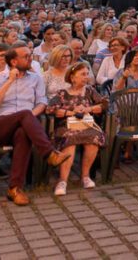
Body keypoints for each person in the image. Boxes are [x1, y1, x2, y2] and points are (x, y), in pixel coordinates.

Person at [0, 45, 73, 205]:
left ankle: (14, 189)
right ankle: (49, 153)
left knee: (23, 132)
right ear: (14, 61)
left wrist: (28, 118)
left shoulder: (35, 79)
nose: (31, 58)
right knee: (25, 114)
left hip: (24, 128)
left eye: (30, 55)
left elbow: (42, 103)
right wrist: (10, 81)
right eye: (26, 56)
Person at [46, 62, 107, 195]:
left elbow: (104, 104)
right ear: (72, 77)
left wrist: (88, 109)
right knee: (70, 138)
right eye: (82, 74)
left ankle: (85, 177)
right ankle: (62, 181)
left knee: (94, 137)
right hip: (67, 126)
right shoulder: (63, 93)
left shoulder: (90, 90)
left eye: (87, 74)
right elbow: (50, 109)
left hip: (86, 124)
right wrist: (71, 112)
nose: (86, 77)